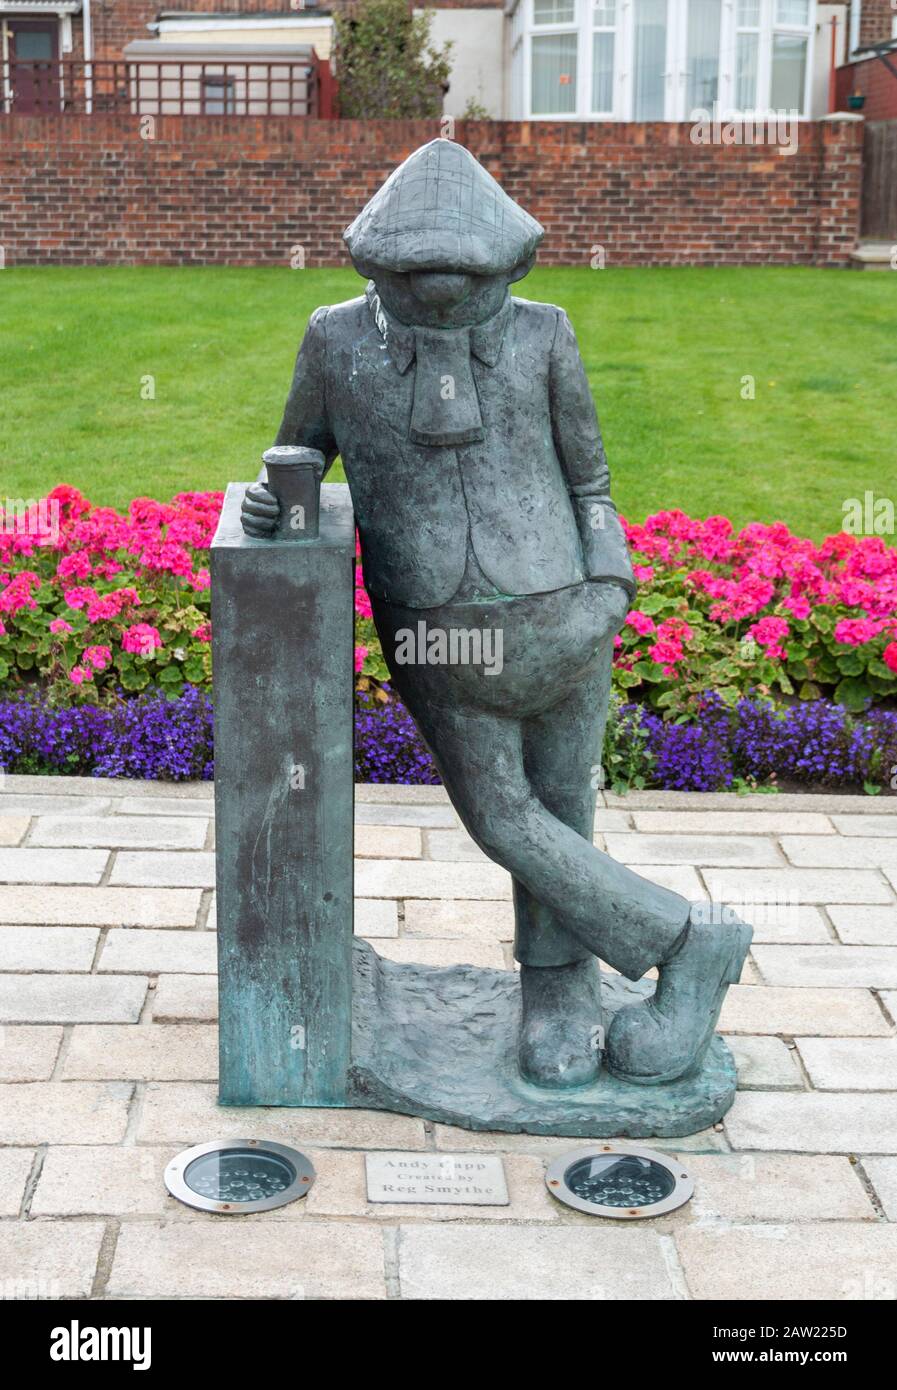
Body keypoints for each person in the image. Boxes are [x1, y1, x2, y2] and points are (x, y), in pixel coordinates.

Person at [242, 138, 751, 1089]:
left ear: (511, 267)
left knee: (561, 809)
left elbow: (591, 481)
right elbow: (298, 457)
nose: (441, 298)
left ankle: (558, 995)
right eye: (414, 281)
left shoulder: (544, 333)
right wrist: (276, 502)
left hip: (565, 613)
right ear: (373, 268)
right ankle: (688, 944)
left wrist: (610, 590)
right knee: (502, 818)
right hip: (437, 631)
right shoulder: (336, 339)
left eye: (467, 281)